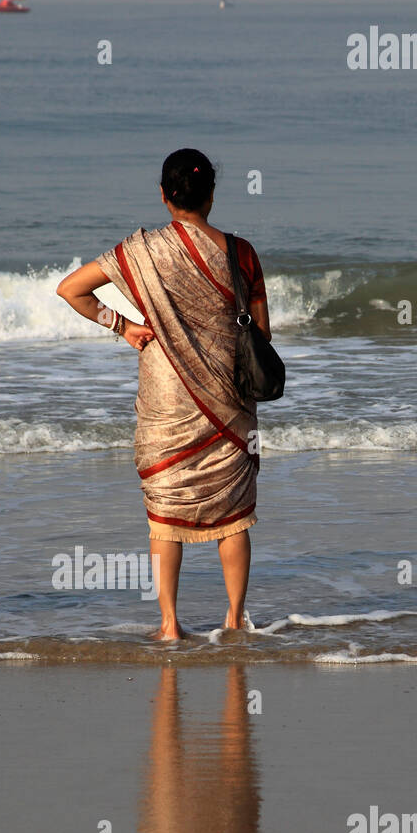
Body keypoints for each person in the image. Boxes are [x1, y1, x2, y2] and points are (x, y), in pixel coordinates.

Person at [56, 149, 271, 640]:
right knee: (234, 516)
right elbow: (261, 331)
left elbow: (71, 289)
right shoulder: (241, 252)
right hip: (230, 401)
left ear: (163, 195)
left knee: (165, 516)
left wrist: (124, 325)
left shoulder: (140, 253)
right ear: (211, 195)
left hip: (165, 402)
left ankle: (170, 624)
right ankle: (235, 619)